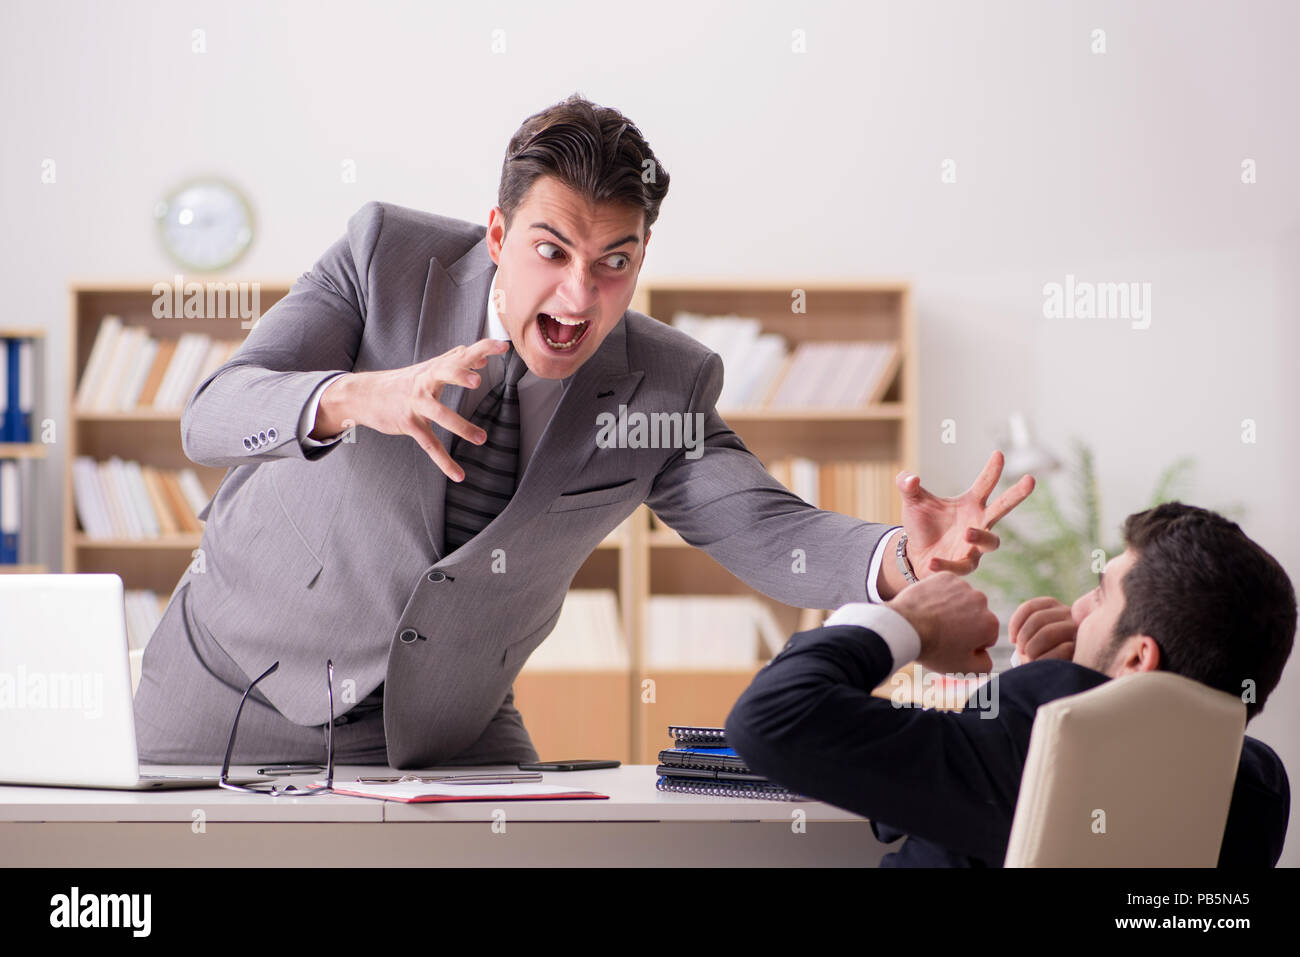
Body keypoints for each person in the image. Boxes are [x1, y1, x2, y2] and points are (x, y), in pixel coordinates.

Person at [133, 93, 1033, 769]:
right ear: (497, 232)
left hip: (438, 729)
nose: (578, 297)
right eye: (551, 251)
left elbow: (762, 522)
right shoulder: (383, 259)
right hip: (224, 693)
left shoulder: (666, 379)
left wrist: (901, 561)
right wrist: (353, 398)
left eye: (615, 263)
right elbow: (214, 412)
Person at [726, 502, 1294, 866]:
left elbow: (773, 720)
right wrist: (1052, 691)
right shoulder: (1261, 786)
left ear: (1139, 657)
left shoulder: (1039, 728)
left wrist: (908, 621)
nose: (1078, 607)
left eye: (1100, 595)